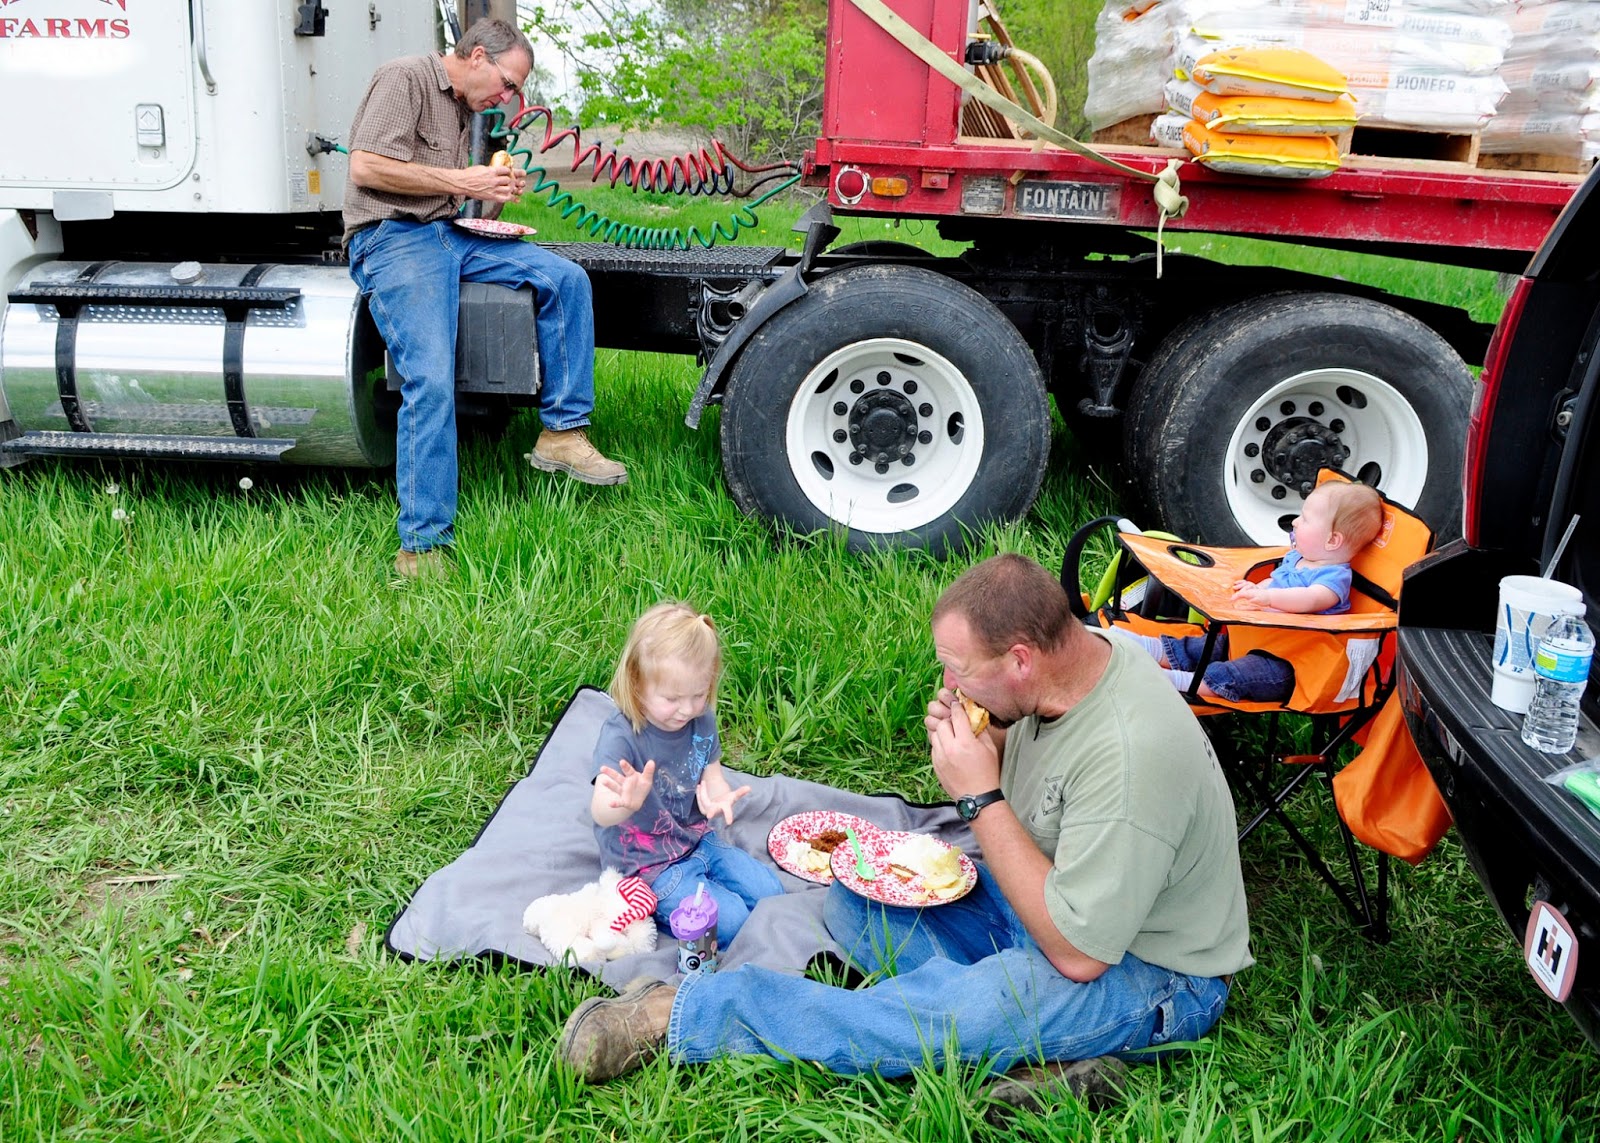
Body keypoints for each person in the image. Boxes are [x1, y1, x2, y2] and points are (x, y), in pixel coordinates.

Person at [559, 554, 1253, 1106]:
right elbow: (1059, 793)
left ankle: (683, 1013)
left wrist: (979, 793)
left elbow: (1077, 955)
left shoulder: (1130, 758)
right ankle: (1037, 1043)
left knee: (940, 1013)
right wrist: (997, 748)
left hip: (1146, 971)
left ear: (1019, 659)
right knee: (853, 898)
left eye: (960, 670)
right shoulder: (1076, 662)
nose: (949, 683)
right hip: (1054, 902)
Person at [342, 18, 627, 581]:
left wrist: (493, 194)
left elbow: (461, 197)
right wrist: (465, 182)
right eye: (508, 82)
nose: (510, 97)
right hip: (391, 237)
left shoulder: (471, 112)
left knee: (566, 280)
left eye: (516, 89)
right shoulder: (403, 78)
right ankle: (421, 547)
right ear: (476, 56)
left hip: (448, 234)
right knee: (430, 377)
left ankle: (563, 435)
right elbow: (365, 166)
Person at [590, 602, 784, 946]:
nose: (687, 708)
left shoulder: (700, 718)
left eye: (698, 694)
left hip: (697, 839)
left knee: (771, 892)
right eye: (672, 698)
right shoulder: (621, 735)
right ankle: (660, 906)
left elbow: (712, 774)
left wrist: (719, 795)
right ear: (637, 684)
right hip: (649, 864)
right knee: (730, 923)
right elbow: (600, 812)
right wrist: (625, 803)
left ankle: (705, 882)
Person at [1130, 480, 1385, 703]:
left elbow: (1310, 599)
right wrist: (1257, 589)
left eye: (1305, 519)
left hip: (1288, 662)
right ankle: (1147, 648)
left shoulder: (1334, 578)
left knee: (1239, 674)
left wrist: (1268, 597)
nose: (1295, 521)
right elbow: (1275, 582)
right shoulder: (1297, 558)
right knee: (1213, 645)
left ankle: (1177, 681)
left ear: (1332, 541)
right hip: (1260, 640)